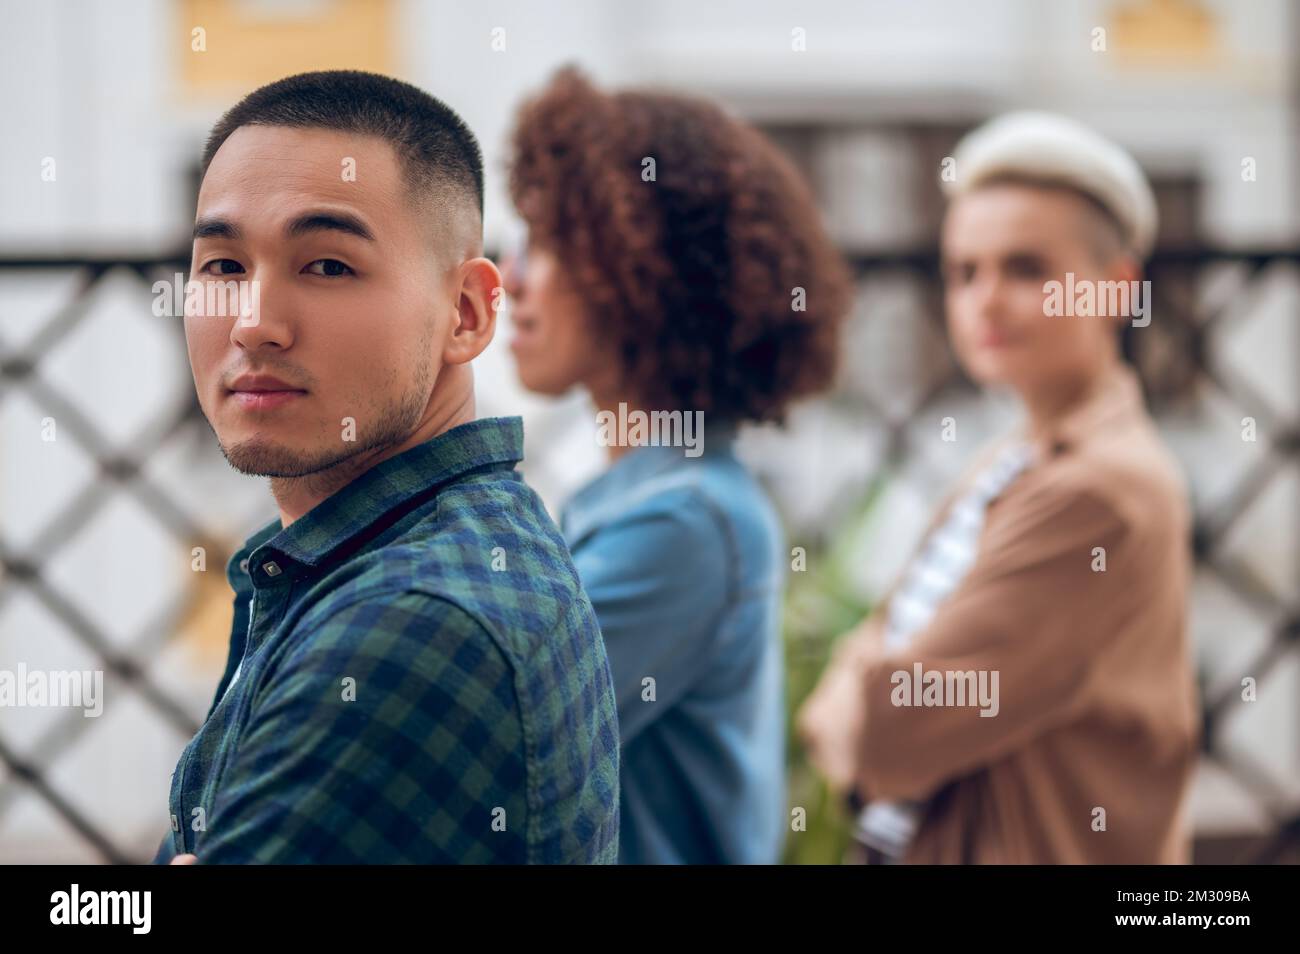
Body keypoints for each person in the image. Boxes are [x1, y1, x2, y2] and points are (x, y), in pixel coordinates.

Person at [153, 70, 619, 864]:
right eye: (224, 268)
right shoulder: (397, 549)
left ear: (467, 314)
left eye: (327, 266)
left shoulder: (409, 626)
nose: (255, 324)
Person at [798, 112, 1200, 864]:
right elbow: (875, 652)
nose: (986, 299)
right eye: (964, 272)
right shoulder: (1009, 459)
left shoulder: (1099, 494)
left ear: (1115, 288)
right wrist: (866, 679)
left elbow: (892, 720)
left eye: (1026, 269)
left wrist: (862, 700)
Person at [501, 68, 851, 864]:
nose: (509, 278)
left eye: (548, 243)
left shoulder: (686, 520)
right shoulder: (652, 496)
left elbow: (475, 748)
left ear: (643, 273)